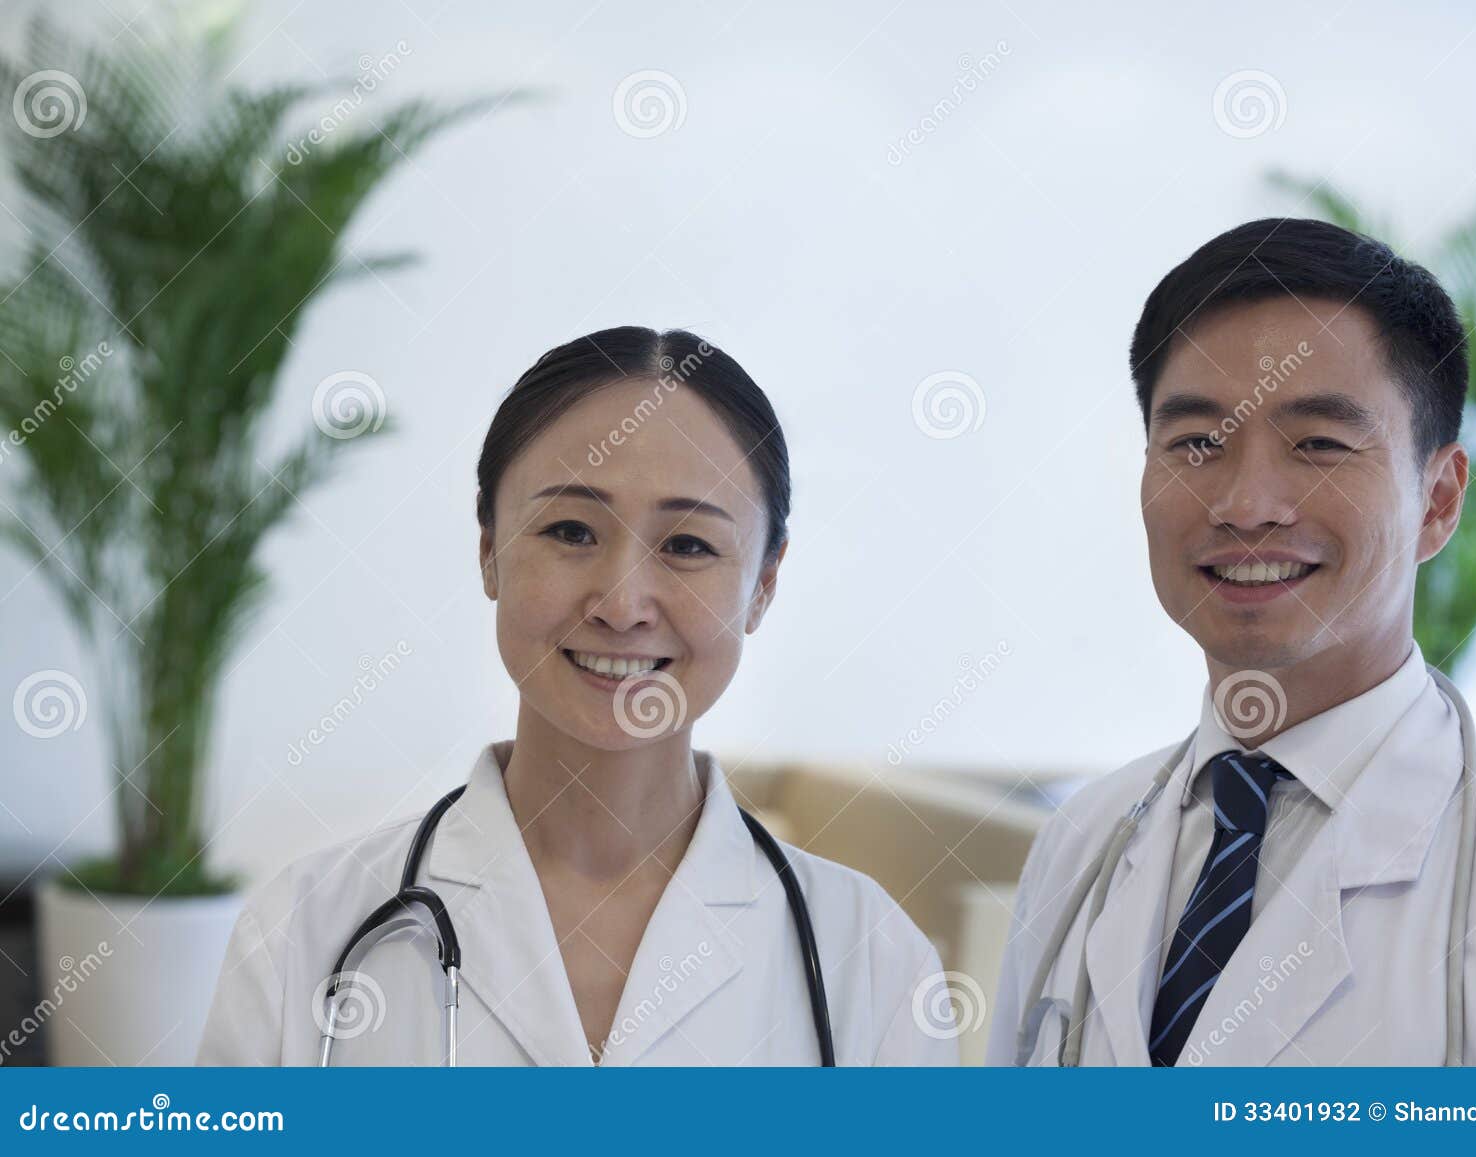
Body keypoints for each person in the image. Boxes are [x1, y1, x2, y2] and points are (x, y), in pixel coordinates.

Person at [197, 326, 956, 1066]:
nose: (622, 603)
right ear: (489, 547)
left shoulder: (872, 963)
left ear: (763, 584)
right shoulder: (305, 933)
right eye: (570, 529)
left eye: (688, 545)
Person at [989, 219, 1476, 1066]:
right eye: (1197, 443)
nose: (1247, 503)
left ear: (1438, 500)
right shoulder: (1084, 841)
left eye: (1318, 443)